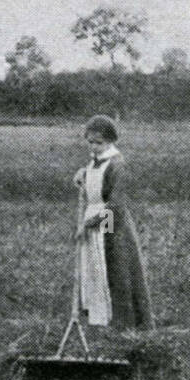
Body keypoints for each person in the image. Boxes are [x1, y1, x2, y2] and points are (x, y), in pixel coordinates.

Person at [72, 115, 154, 331]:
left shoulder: (117, 164)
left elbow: (116, 205)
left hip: (110, 222)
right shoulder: (94, 161)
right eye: (90, 142)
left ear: (110, 141)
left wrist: (90, 224)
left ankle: (123, 322)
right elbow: (94, 182)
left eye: (98, 143)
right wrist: (83, 175)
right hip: (93, 218)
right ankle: (99, 317)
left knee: (114, 264)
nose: (94, 147)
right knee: (94, 267)